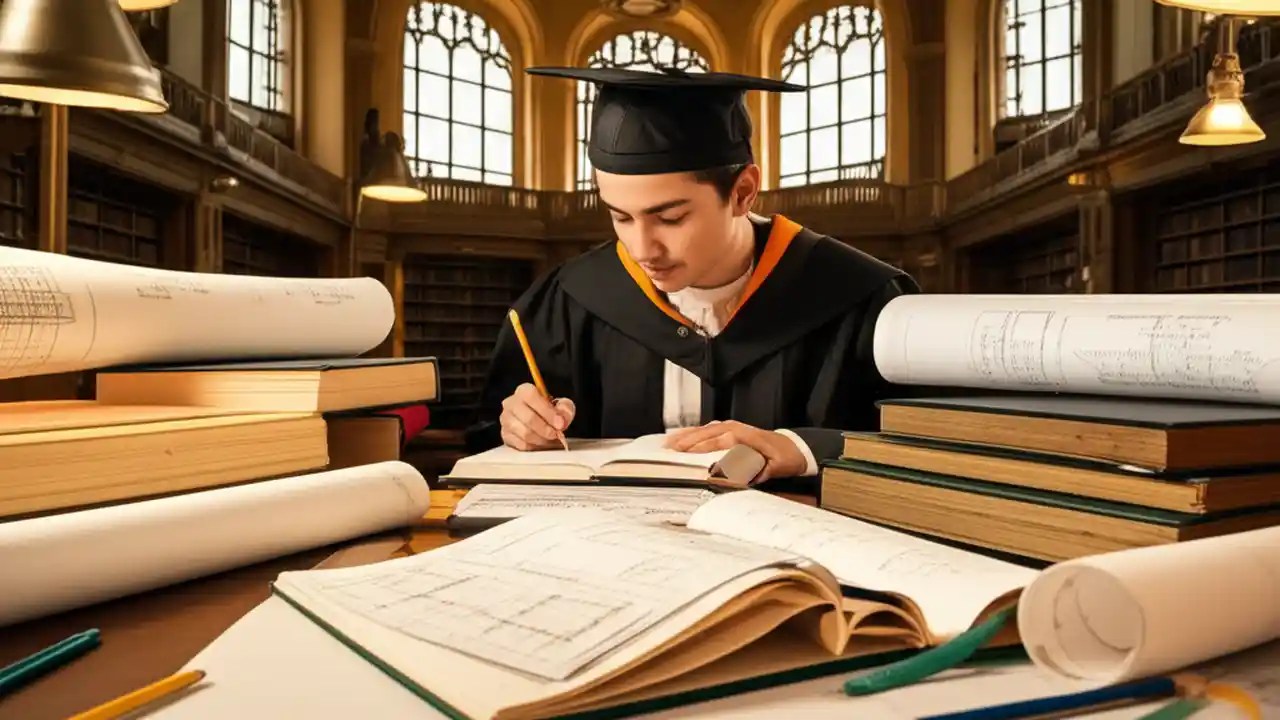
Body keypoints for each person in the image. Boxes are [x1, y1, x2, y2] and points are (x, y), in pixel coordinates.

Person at [465, 66, 918, 488]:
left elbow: (936, 449)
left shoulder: (861, 300)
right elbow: (488, 437)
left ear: (742, 192)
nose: (642, 249)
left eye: (671, 217)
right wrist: (520, 428)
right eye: (620, 217)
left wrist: (803, 449)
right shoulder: (569, 301)